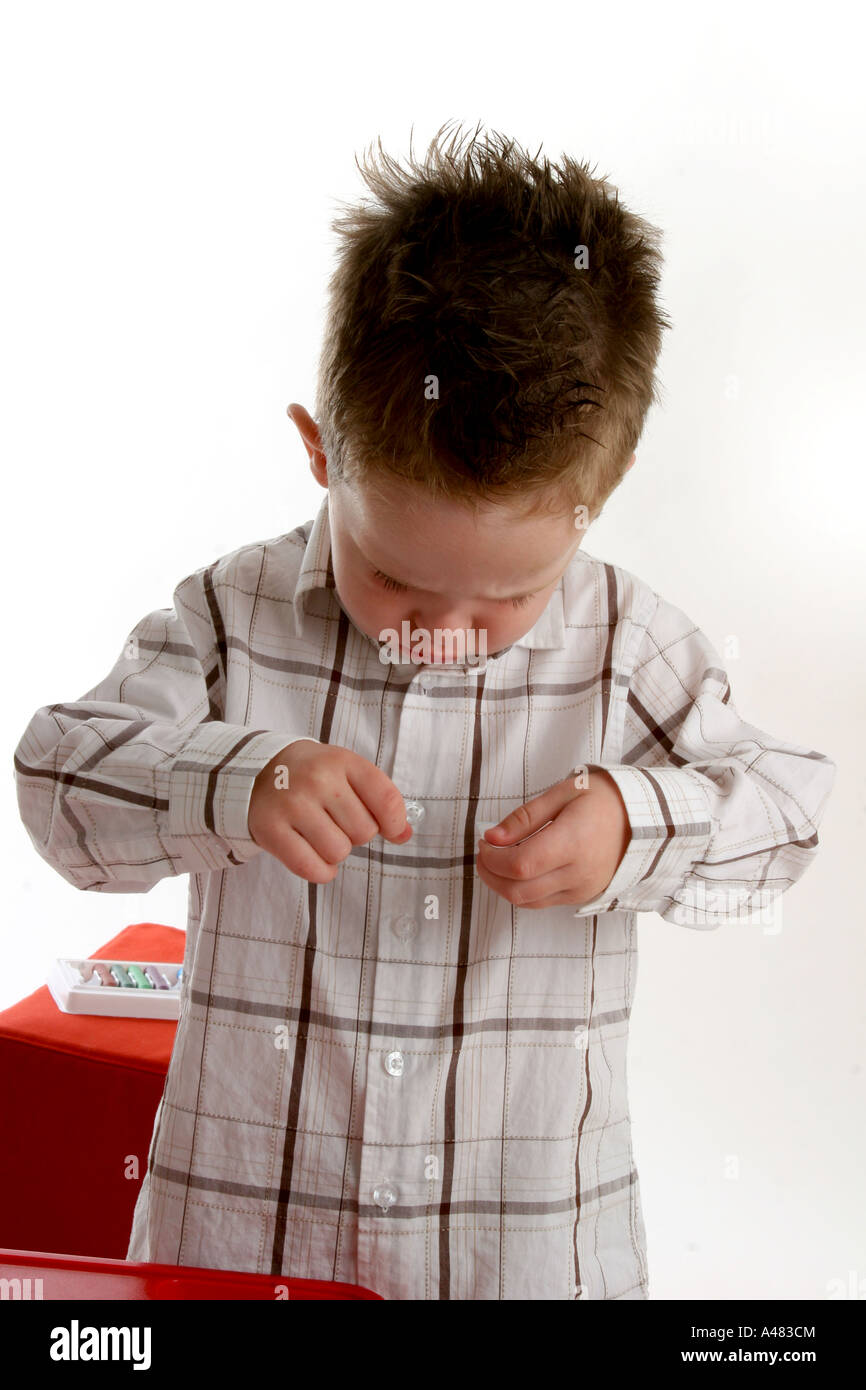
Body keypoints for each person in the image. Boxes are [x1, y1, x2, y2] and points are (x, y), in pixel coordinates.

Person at [13, 122, 835, 1300]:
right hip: (243, 1254)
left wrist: (629, 825)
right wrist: (231, 779)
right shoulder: (233, 615)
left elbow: (786, 815)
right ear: (320, 455)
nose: (446, 621)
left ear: (591, 506)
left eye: (507, 592)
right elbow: (56, 782)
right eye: (394, 573)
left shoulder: (626, 643)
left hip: (521, 1263)